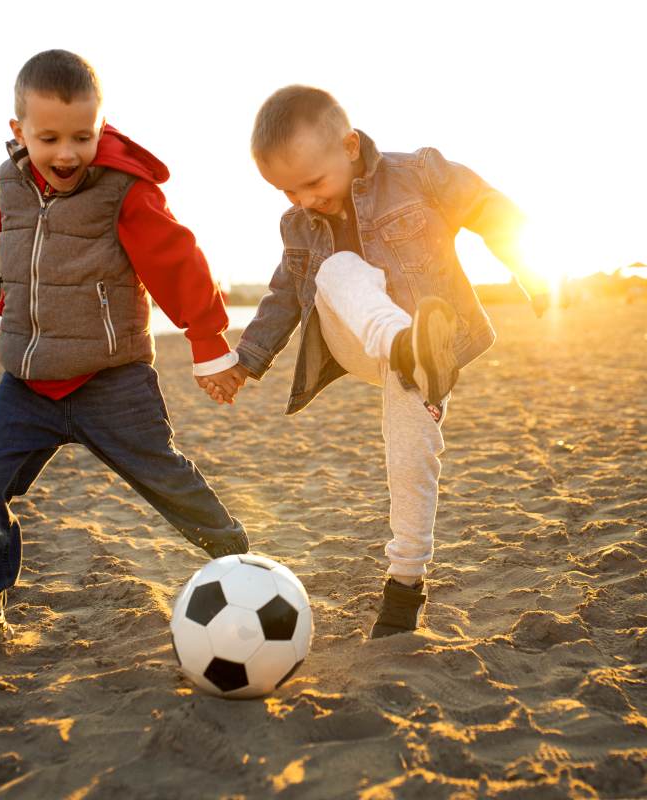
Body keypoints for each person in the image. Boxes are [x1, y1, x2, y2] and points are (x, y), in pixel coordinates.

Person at [0, 50, 248, 672]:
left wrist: (208, 340)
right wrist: (13, 311)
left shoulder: (123, 190)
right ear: (19, 130)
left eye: (83, 135)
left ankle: (243, 565)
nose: (68, 153)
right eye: (49, 138)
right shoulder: (7, 186)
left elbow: (177, 261)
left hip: (112, 379)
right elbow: (17, 257)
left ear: (102, 125)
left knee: (167, 478)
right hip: (28, 382)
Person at [217, 85, 547, 637]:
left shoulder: (418, 173)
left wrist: (531, 268)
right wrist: (244, 362)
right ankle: (402, 342)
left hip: (432, 350)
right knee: (335, 268)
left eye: (313, 183)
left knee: (412, 453)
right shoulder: (298, 225)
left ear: (349, 146)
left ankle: (405, 587)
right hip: (360, 338)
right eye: (287, 191)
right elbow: (282, 298)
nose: (304, 200)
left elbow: (487, 206)